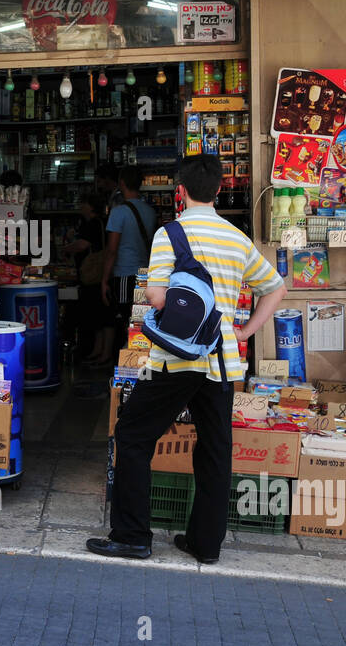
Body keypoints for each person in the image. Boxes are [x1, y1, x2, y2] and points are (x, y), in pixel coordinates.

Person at [88, 154, 288, 564]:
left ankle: (131, 536)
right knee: (215, 452)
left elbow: (158, 297)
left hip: (176, 361)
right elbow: (275, 288)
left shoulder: (170, 235)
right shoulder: (237, 237)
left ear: (180, 192)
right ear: (217, 191)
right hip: (222, 363)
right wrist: (245, 331)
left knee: (132, 436)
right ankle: (205, 544)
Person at [99, 166, 156, 354]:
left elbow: (112, 250)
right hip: (145, 275)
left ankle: (126, 365)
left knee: (125, 320)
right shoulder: (150, 211)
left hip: (125, 274)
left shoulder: (118, 212)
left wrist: (104, 280)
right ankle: (139, 365)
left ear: (122, 183)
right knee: (139, 321)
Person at [65, 193, 109, 366]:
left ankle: (100, 351)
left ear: (90, 206)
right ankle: (99, 350)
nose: (81, 206)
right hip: (100, 274)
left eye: (83, 203)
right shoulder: (102, 222)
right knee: (98, 314)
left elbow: (83, 245)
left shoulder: (91, 225)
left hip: (93, 274)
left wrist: (66, 248)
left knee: (97, 313)